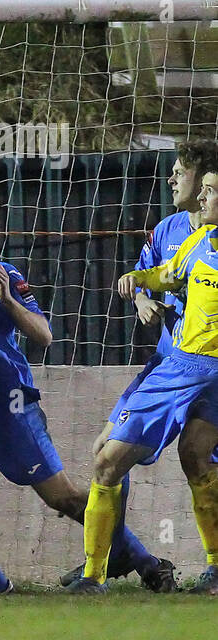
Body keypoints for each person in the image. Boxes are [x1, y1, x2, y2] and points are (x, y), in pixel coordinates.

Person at [0, 190, 172, 594]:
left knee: (64, 500)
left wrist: (7, 301)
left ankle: (147, 563)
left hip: (11, 408)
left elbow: (44, 333)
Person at [74, 156, 218, 594]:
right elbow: (164, 274)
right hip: (175, 366)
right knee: (106, 458)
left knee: (197, 458)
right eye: (205, 188)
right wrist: (139, 282)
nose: (203, 194)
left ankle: (210, 567)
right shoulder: (193, 238)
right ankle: (98, 572)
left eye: (211, 188)